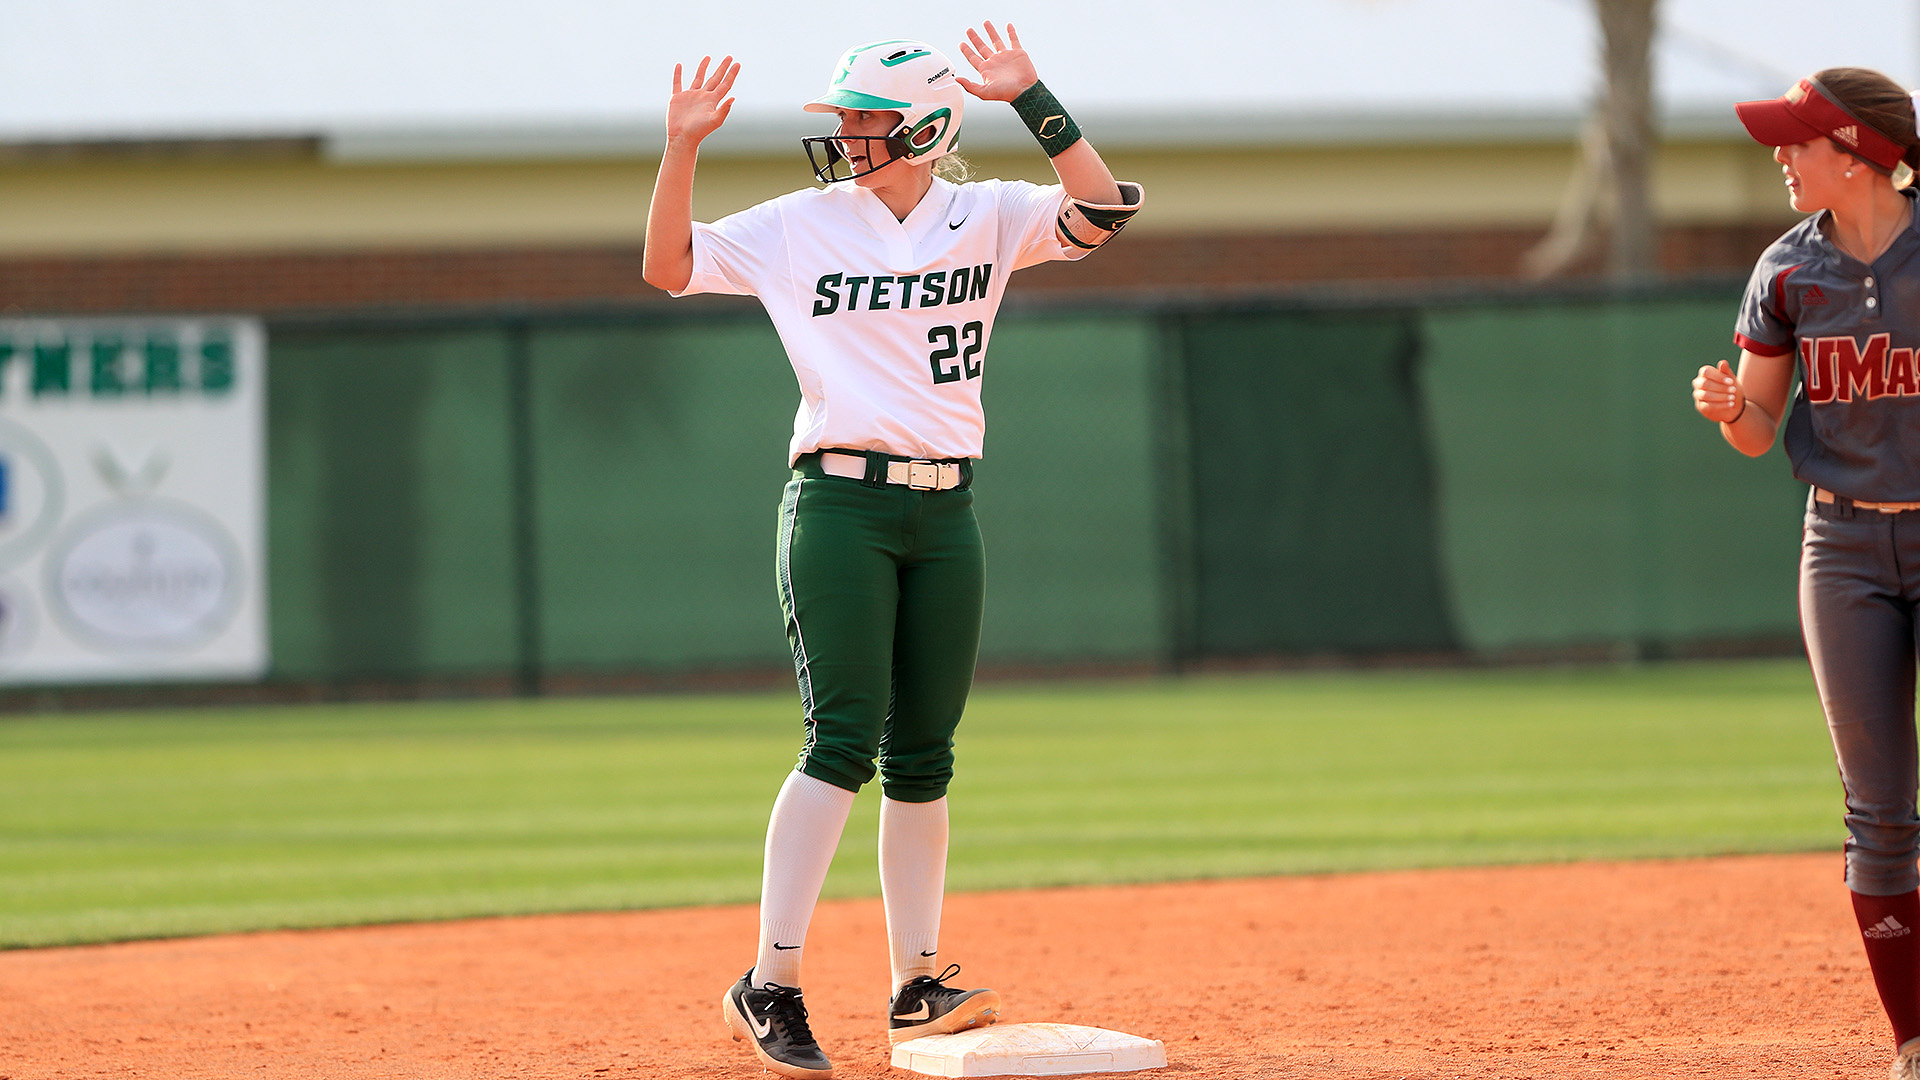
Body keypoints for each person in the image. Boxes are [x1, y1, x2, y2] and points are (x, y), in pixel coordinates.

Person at [642, 22, 1142, 1080]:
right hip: (839, 505)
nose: (847, 136)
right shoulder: (801, 225)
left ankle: (918, 986)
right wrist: (681, 147)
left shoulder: (991, 212)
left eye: (864, 119)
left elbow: (1101, 210)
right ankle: (769, 982)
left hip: (946, 513)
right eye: (846, 120)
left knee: (925, 755)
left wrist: (1035, 97)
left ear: (923, 127)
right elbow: (668, 263)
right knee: (843, 740)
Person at [1694, 68, 1920, 1080]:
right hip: (1841, 550)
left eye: (1796, 141)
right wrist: (1731, 411)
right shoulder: (1788, 271)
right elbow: (1759, 432)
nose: (1780, 158)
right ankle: (1915, 1041)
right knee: (1877, 811)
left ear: (1856, 148)